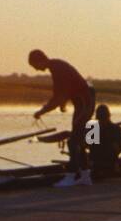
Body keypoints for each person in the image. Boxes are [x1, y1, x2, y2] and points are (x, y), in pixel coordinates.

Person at [29, 49, 95, 187]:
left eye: (34, 65)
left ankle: (71, 176)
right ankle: (85, 176)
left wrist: (42, 111)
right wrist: (63, 102)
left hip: (85, 102)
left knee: (73, 141)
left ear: (40, 60)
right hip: (81, 102)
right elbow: (64, 90)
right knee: (79, 140)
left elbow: (58, 97)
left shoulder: (57, 68)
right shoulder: (55, 66)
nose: (35, 69)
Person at [89, 105, 121, 181]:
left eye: (103, 118)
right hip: (96, 163)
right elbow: (88, 147)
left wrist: (119, 163)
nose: (102, 121)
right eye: (100, 119)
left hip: (111, 162)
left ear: (108, 117)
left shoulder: (117, 131)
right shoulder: (93, 129)